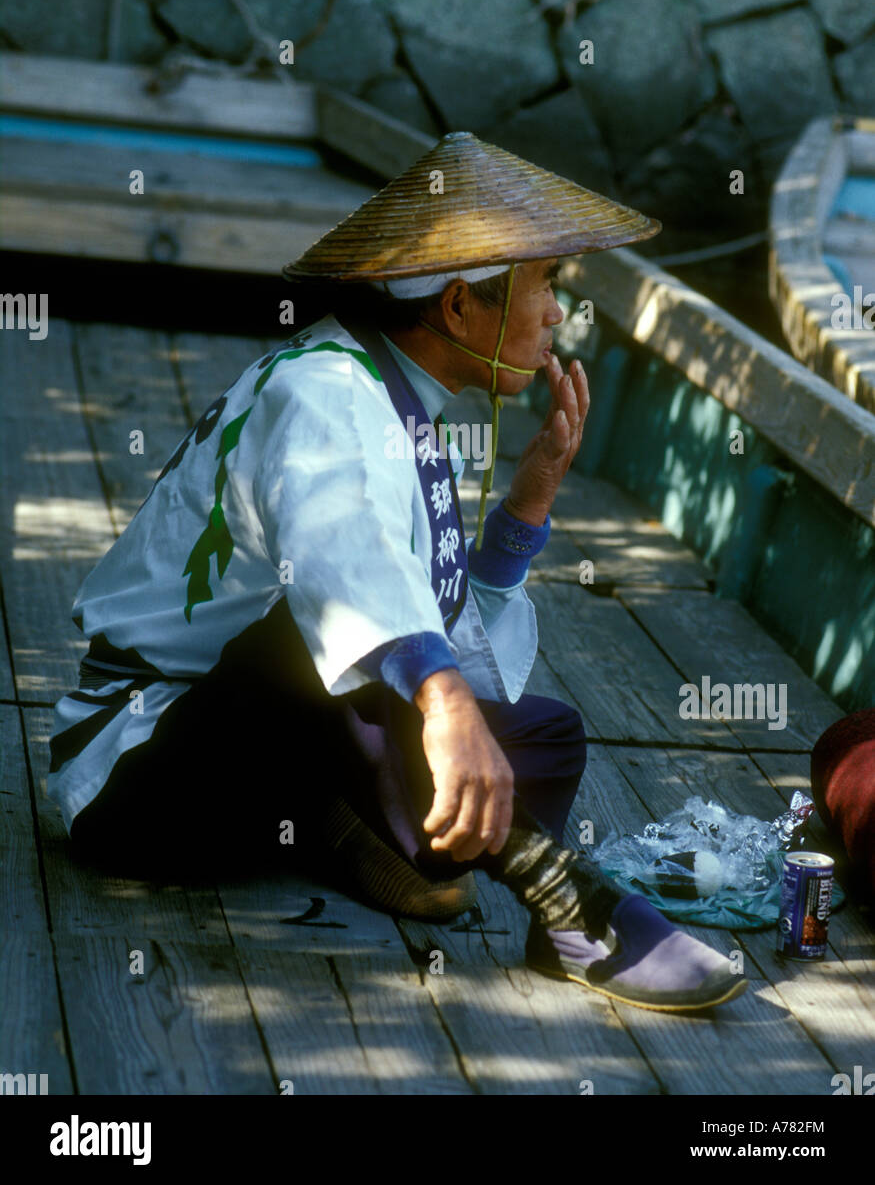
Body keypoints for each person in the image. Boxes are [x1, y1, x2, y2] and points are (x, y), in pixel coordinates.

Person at [48, 131, 746, 1013]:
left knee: (547, 734)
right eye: (546, 287)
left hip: (261, 761)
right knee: (327, 653)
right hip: (138, 774)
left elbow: (433, 615)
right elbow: (347, 583)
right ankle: (568, 902)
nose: (557, 316)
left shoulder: (391, 395)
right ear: (458, 307)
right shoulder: (328, 394)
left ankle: (348, 830)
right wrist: (446, 705)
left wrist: (524, 513)